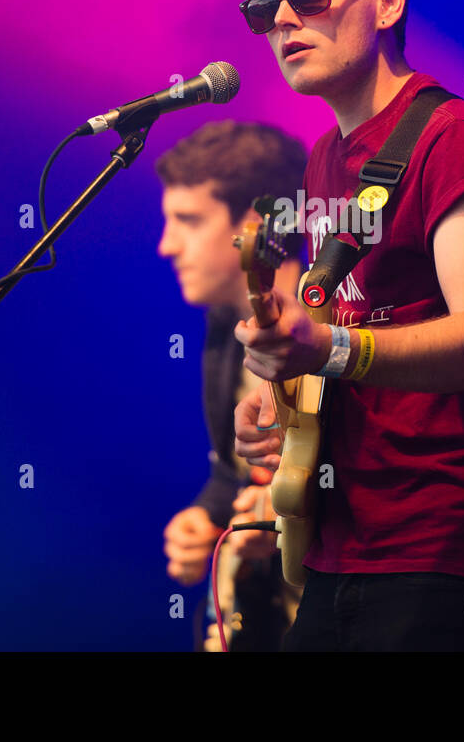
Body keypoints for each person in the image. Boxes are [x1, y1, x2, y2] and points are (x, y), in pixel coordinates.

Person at [232, 0, 464, 651]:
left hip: (445, 551)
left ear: (389, 1)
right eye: (261, 8)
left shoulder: (453, 139)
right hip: (341, 542)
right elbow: (345, 321)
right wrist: (278, 400)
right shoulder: (322, 160)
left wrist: (331, 349)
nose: (281, 20)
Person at [155, 119, 306, 651]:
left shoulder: (338, 325)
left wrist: (287, 519)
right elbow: (232, 474)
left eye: (188, 220)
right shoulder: (224, 328)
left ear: (251, 227)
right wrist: (205, 519)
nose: (166, 246)